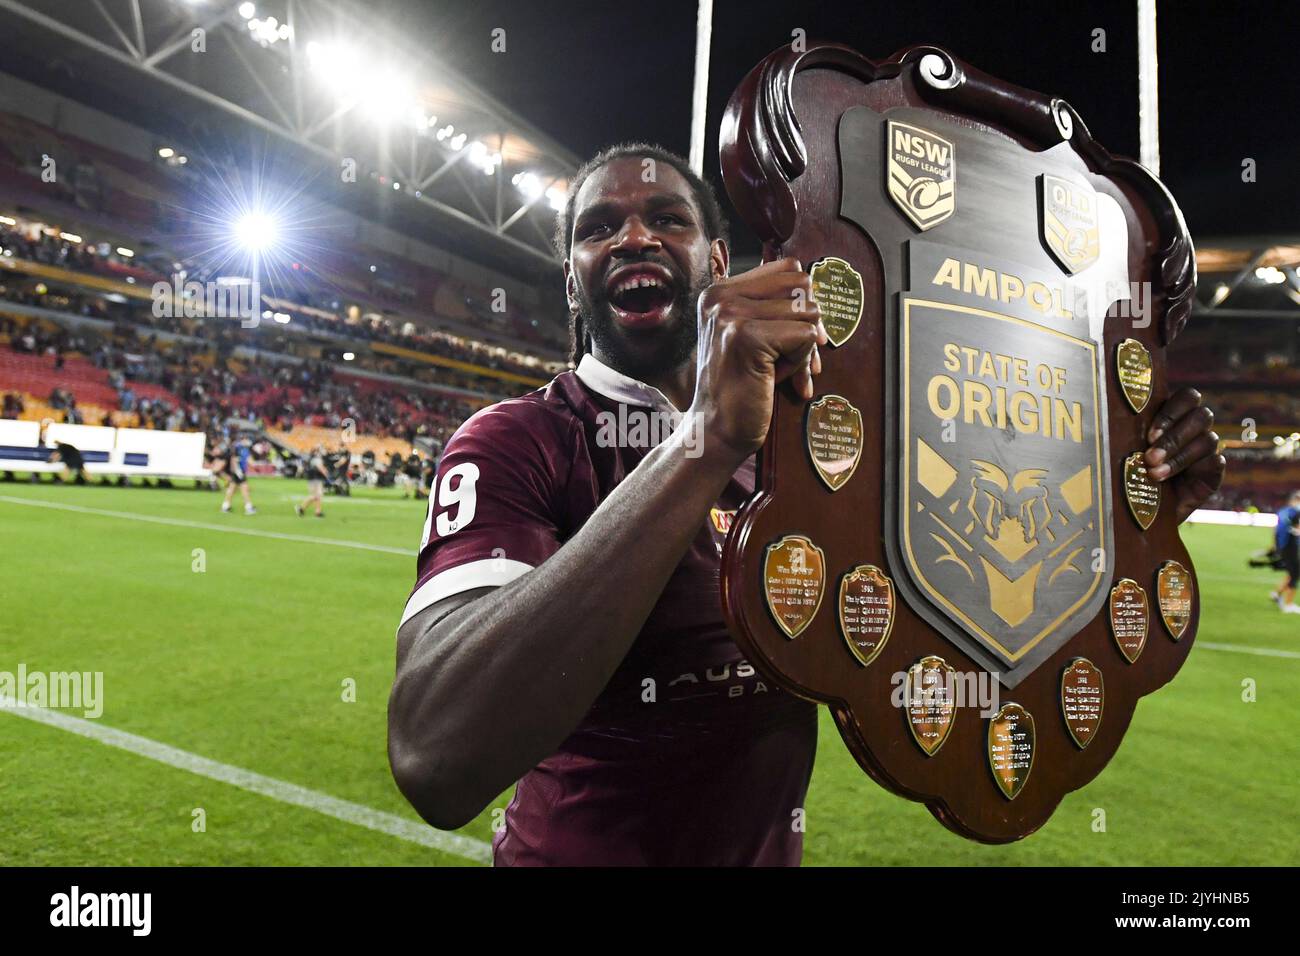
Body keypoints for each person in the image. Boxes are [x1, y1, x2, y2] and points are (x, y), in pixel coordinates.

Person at [386, 143, 1226, 867]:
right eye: (598, 227)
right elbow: (436, 754)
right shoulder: (515, 440)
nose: (632, 235)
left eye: (667, 219)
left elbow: (969, 611)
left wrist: (1131, 497)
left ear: (719, 263)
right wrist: (704, 444)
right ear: (572, 280)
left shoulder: (814, 444)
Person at [1271, 490, 1300, 612]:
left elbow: (1277, 531)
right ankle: (1288, 604)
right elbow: (1294, 530)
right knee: (1295, 574)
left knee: (1294, 572)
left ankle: (1277, 593)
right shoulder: (1294, 513)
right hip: (1290, 547)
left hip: (1284, 546)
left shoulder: (1283, 512)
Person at [211, 437, 256, 515]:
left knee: (232, 488)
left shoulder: (238, 448)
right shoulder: (242, 449)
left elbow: (234, 459)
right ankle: (248, 507)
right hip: (239, 472)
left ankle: (225, 506)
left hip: (237, 471)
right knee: (244, 488)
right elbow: (249, 461)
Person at [296, 445, 329, 518]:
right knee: (317, 495)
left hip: (312, 478)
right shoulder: (316, 458)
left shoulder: (311, 457)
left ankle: (318, 511)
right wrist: (327, 474)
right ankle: (301, 508)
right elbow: (321, 468)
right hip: (315, 478)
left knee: (317, 496)